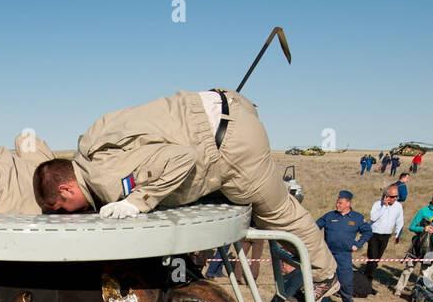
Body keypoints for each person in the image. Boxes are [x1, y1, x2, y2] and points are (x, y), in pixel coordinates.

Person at [30, 90, 338, 289]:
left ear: (68, 189)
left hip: (230, 150)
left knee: (283, 215)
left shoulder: (104, 178)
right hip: (228, 110)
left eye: (60, 209)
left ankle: (326, 278)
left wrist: (137, 202)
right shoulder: (93, 143)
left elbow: (182, 158)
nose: (67, 214)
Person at [315, 190, 371, 302]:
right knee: (322, 277)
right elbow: (315, 227)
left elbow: (367, 232)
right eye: (337, 202)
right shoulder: (329, 216)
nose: (337, 205)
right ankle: (317, 300)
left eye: (340, 203)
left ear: (348, 203)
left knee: (346, 281)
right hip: (328, 253)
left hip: (344, 255)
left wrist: (358, 244)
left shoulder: (357, 218)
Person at [396, 190, 433, 294]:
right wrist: (423, 229)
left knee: (425, 270)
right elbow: (412, 227)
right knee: (409, 266)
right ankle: (399, 289)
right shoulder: (423, 210)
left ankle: (418, 291)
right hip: (419, 242)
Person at [364, 186, 403, 281]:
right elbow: (373, 217)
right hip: (374, 234)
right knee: (372, 259)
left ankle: (367, 276)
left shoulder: (398, 206)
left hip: (386, 235)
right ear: (386, 196)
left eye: (396, 196)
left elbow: (400, 221)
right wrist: (384, 207)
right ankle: (367, 280)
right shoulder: (377, 204)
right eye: (392, 196)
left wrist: (398, 235)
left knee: (377, 259)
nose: (394, 199)